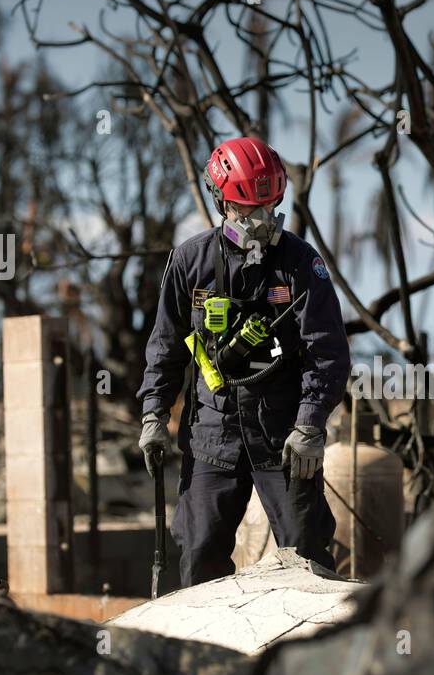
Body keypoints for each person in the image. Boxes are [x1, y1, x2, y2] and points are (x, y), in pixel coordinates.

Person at [138, 137, 350, 588]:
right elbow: (166, 345)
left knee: (307, 552)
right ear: (221, 202)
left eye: (269, 208)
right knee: (199, 556)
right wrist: (154, 413)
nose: (259, 221)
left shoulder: (300, 264)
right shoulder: (189, 261)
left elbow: (327, 351)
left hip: (285, 438)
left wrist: (310, 424)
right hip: (211, 435)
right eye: (246, 210)